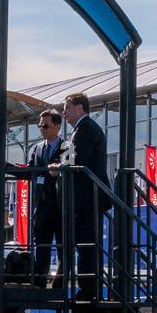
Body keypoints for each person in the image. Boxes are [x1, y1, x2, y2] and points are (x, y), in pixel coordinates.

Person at [51, 93, 108, 301]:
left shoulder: (85, 129)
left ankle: (89, 290)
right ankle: (88, 288)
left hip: (87, 197)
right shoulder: (81, 129)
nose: (64, 112)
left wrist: (58, 167)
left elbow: (77, 158)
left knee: (87, 245)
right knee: (86, 245)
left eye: (67, 107)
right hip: (86, 197)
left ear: (80, 108)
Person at [27, 110, 65, 284]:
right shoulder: (37, 147)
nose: (42, 129)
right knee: (41, 246)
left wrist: (58, 169)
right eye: (39, 125)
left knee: (62, 247)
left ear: (57, 126)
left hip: (60, 206)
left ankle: (60, 282)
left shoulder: (67, 146)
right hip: (41, 206)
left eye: (45, 125)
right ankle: (40, 281)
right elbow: (30, 170)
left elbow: (70, 167)